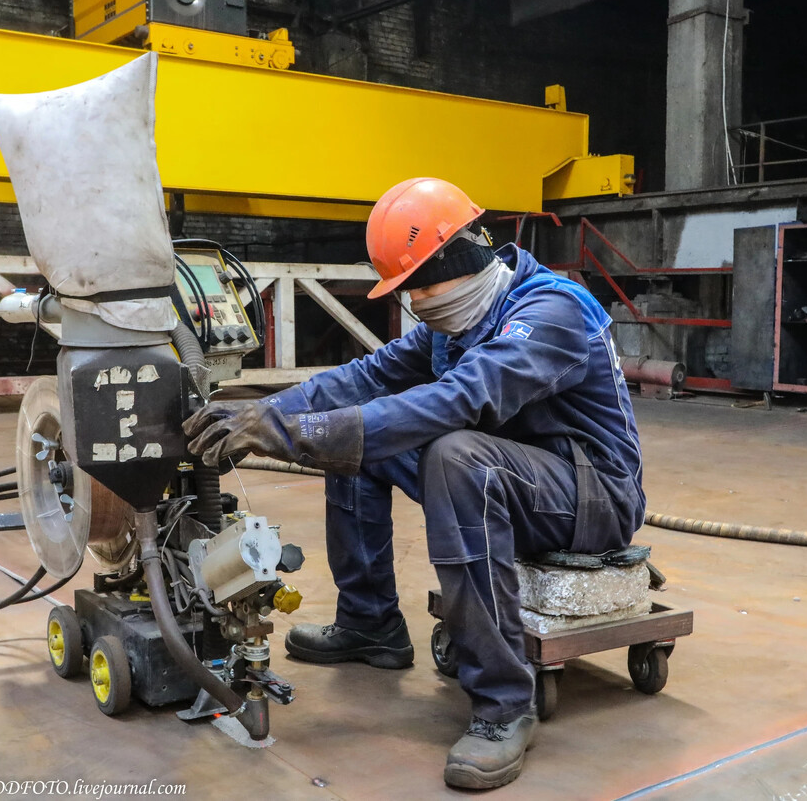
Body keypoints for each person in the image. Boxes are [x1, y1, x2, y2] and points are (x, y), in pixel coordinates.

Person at [183, 177, 644, 790]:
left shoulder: (550, 311)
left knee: (455, 454)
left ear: (463, 259)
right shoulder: (455, 322)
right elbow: (360, 380)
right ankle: (370, 622)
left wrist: (292, 434)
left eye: (420, 285)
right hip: (518, 481)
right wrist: (263, 413)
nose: (415, 302)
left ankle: (505, 704)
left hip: (592, 495)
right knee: (368, 446)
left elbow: (463, 397)